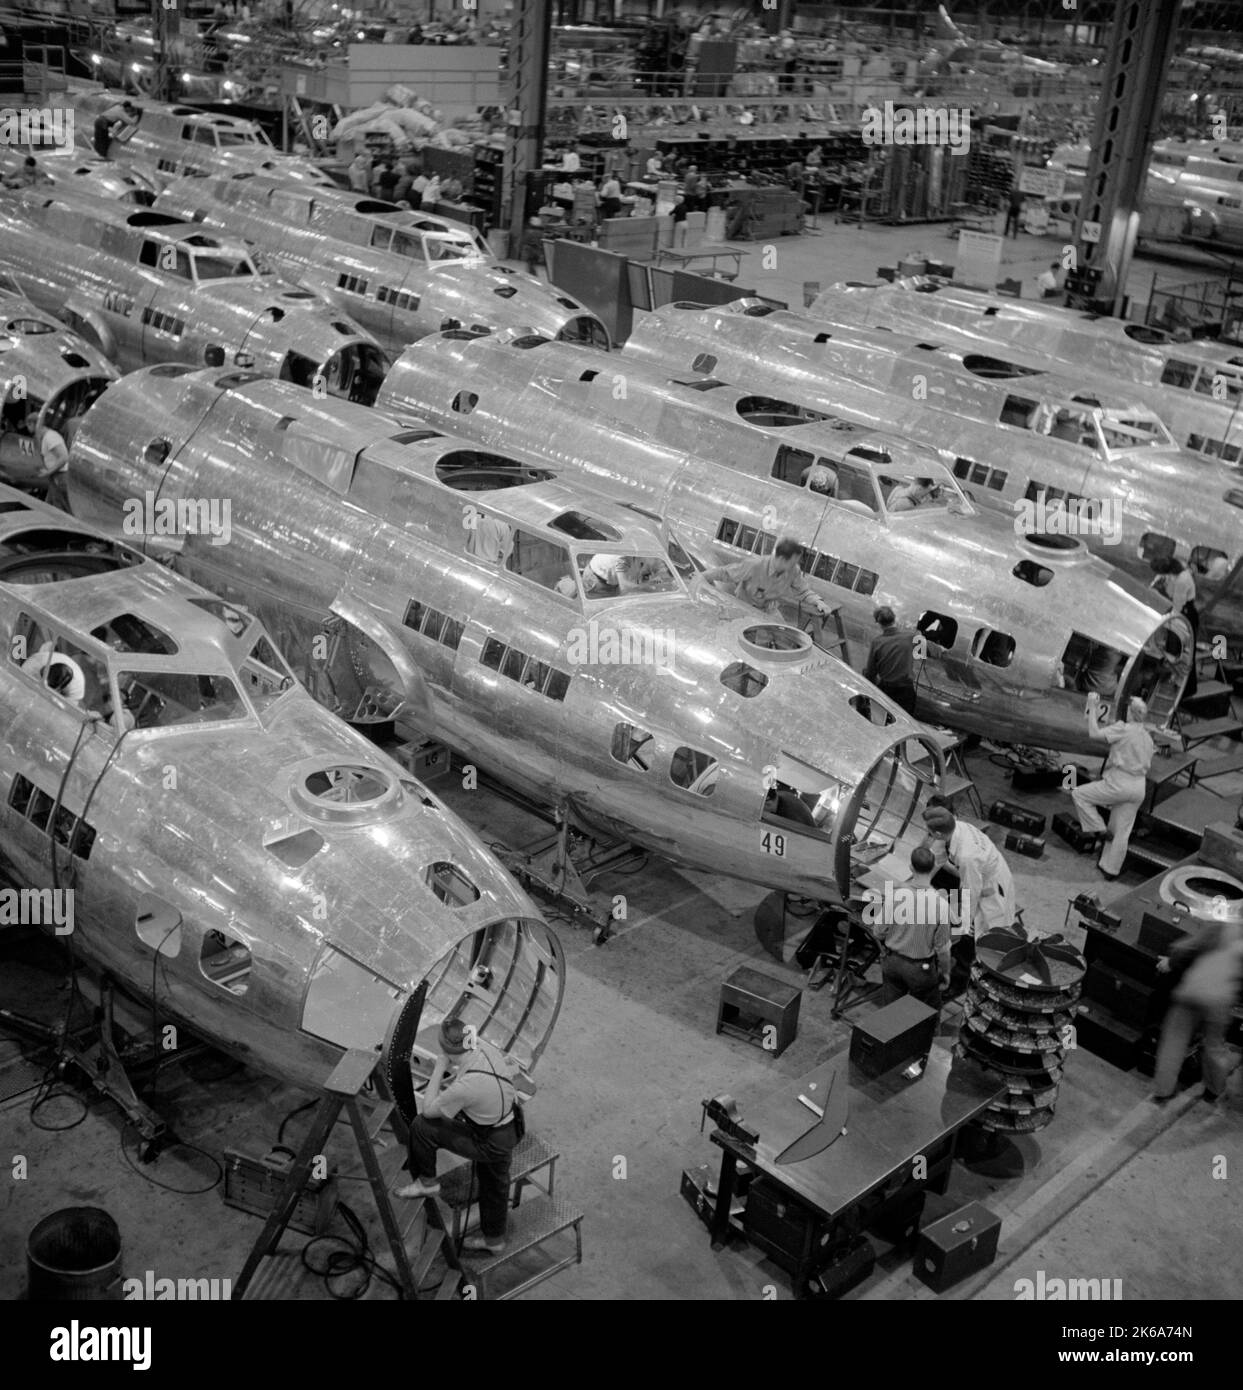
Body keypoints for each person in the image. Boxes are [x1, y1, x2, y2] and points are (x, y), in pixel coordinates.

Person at [395, 1018, 521, 1255]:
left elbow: (429, 1111)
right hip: (510, 1125)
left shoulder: (466, 1087)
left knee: (422, 1127)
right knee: (495, 1182)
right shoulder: (486, 1049)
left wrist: (439, 1067)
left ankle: (426, 1183)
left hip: (489, 1140)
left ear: (446, 1050)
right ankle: (495, 1241)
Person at [1071, 693, 1172, 880]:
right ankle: (1110, 869)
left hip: (1119, 782)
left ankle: (1099, 830)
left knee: (1080, 795)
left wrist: (1093, 706)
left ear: (1130, 712)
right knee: (1122, 830)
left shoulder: (1123, 729)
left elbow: (1094, 733)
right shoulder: (1148, 738)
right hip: (1138, 787)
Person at [1152, 915, 1242, 1103]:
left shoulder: (1222, 928)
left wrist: (1170, 962)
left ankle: (1163, 1090)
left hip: (1193, 991)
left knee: (1174, 1041)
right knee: (1214, 1047)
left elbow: (1184, 948)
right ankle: (1214, 1090)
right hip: (1220, 1001)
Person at [867, 845, 953, 1022]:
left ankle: (889, 1043)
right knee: (926, 1016)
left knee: (890, 1015)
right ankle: (921, 1046)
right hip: (920, 970)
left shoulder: (896, 895)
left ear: (911, 867)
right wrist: (946, 973)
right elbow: (943, 949)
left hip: (892, 963)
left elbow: (878, 931)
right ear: (933, 867)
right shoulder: (941, 905)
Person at [922, 795, 1017, 937]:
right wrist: (919, 884)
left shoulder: (967, 857)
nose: (928, 835)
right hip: (983, 874)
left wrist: (964, 924)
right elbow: (936, 857)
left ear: (937, 833)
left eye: (929, 832)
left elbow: (970, 892)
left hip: (993, 889)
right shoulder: (953, 827)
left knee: (988, 938)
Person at [700, 537, 836, 622]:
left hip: (769, 610)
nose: (796, 565)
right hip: (743, 607)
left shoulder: (793, 570)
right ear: (782, 559)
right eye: (793, 562)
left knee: (784, 637)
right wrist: (701, 577)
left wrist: (818, 602)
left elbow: (803, 591)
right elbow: (724, 573)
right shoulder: (755, 565)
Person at [863, 606, 918, 715]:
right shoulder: (910, 638)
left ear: (879, 623)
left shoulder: (877, 642)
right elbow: (933, 649)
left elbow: (871, 673)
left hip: (886, 692)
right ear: (894, 619)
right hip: (906, 691)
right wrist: (941, 650)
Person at [30, 415, 69, 511]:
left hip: (60, 477)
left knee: (59, 508)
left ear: (33, 424)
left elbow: (64, 457)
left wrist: (48, 472)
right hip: (55, 476)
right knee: (49, 505)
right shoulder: (46, 437)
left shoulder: (50, 437)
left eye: (29, 425)